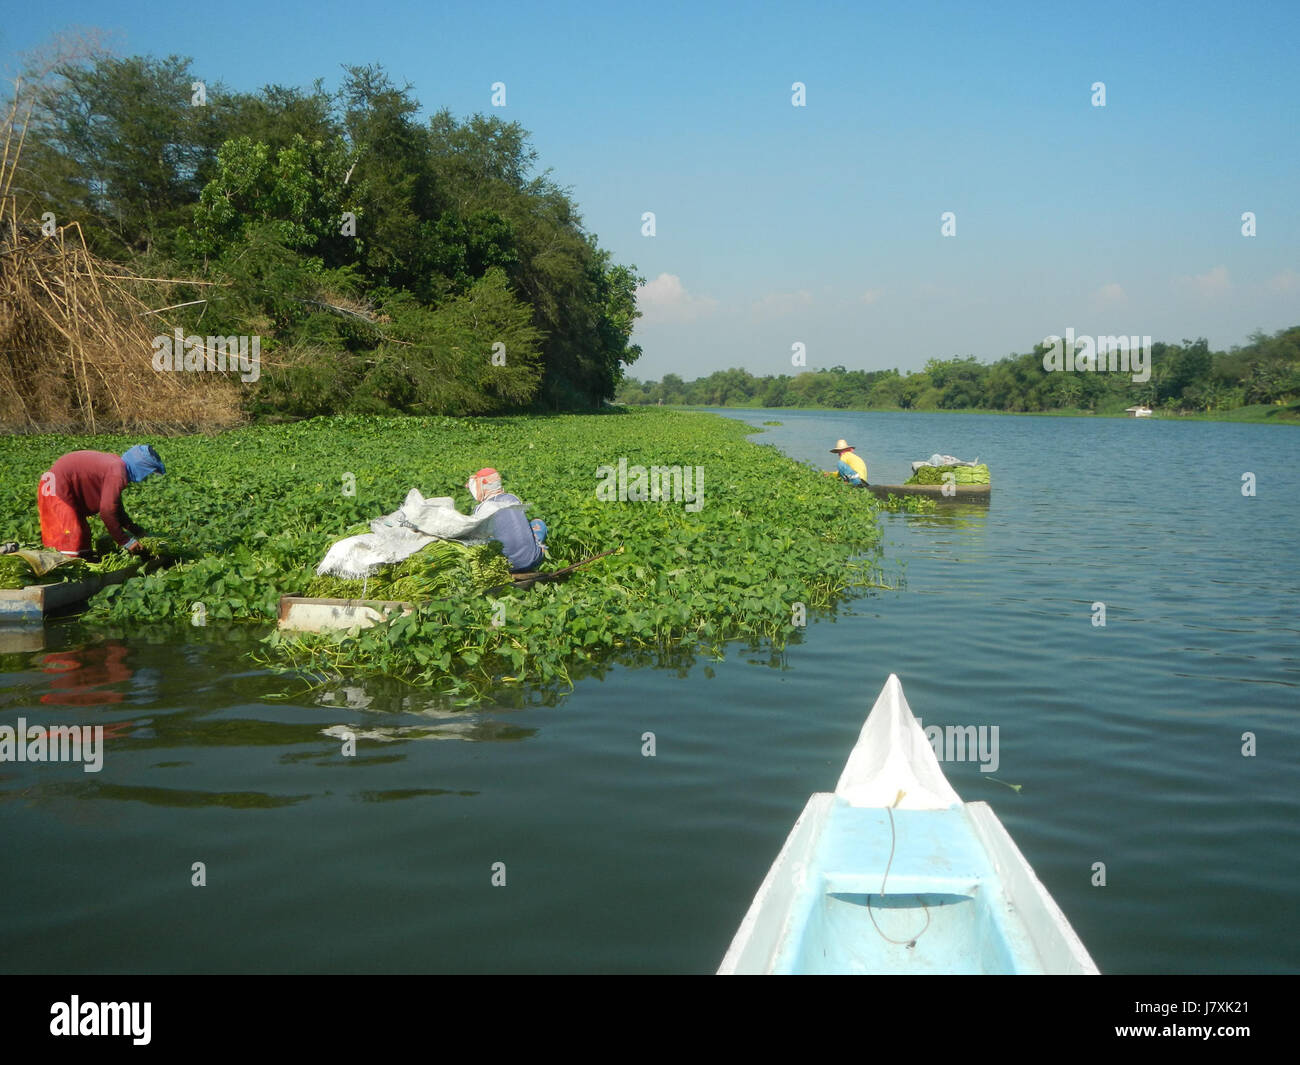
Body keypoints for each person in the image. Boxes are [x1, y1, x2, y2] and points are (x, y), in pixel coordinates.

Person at [38, 445, 165, 557]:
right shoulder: (117, 472)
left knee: (83, 538)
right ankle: (64, 578)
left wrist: (137, 531)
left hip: (61, 486)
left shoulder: (117, 466)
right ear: (140, 468)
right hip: (55, 488)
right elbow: (107, 512)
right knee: (72, 536)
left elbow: (116, 509)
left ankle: (83, 569)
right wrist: (125, 541)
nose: (145, 478)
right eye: (148, 473)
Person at [465, 467, 546, 573]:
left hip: (506, 565)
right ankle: (537, 551)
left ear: (482, 487)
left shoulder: (482, 509)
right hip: (533, 559)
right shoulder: (513, 498)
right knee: (537, 523)